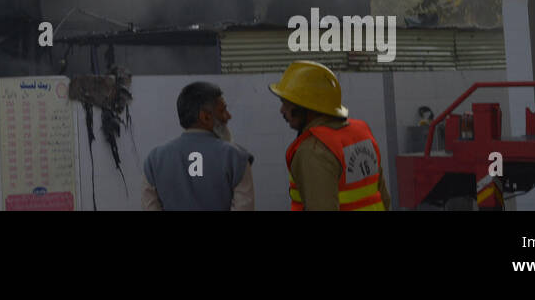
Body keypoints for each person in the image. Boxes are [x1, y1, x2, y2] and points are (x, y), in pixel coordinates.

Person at [268, 60, 390, 211]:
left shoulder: (313, 150)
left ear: (306, 106)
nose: (282, 111)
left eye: (286, 103)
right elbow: (384, 198)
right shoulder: (361, 132)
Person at [142, 81, 255, 210]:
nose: (228, 116)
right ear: (205, 117)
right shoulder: (236, 158)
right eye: (222, 110)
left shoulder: (154, 161)